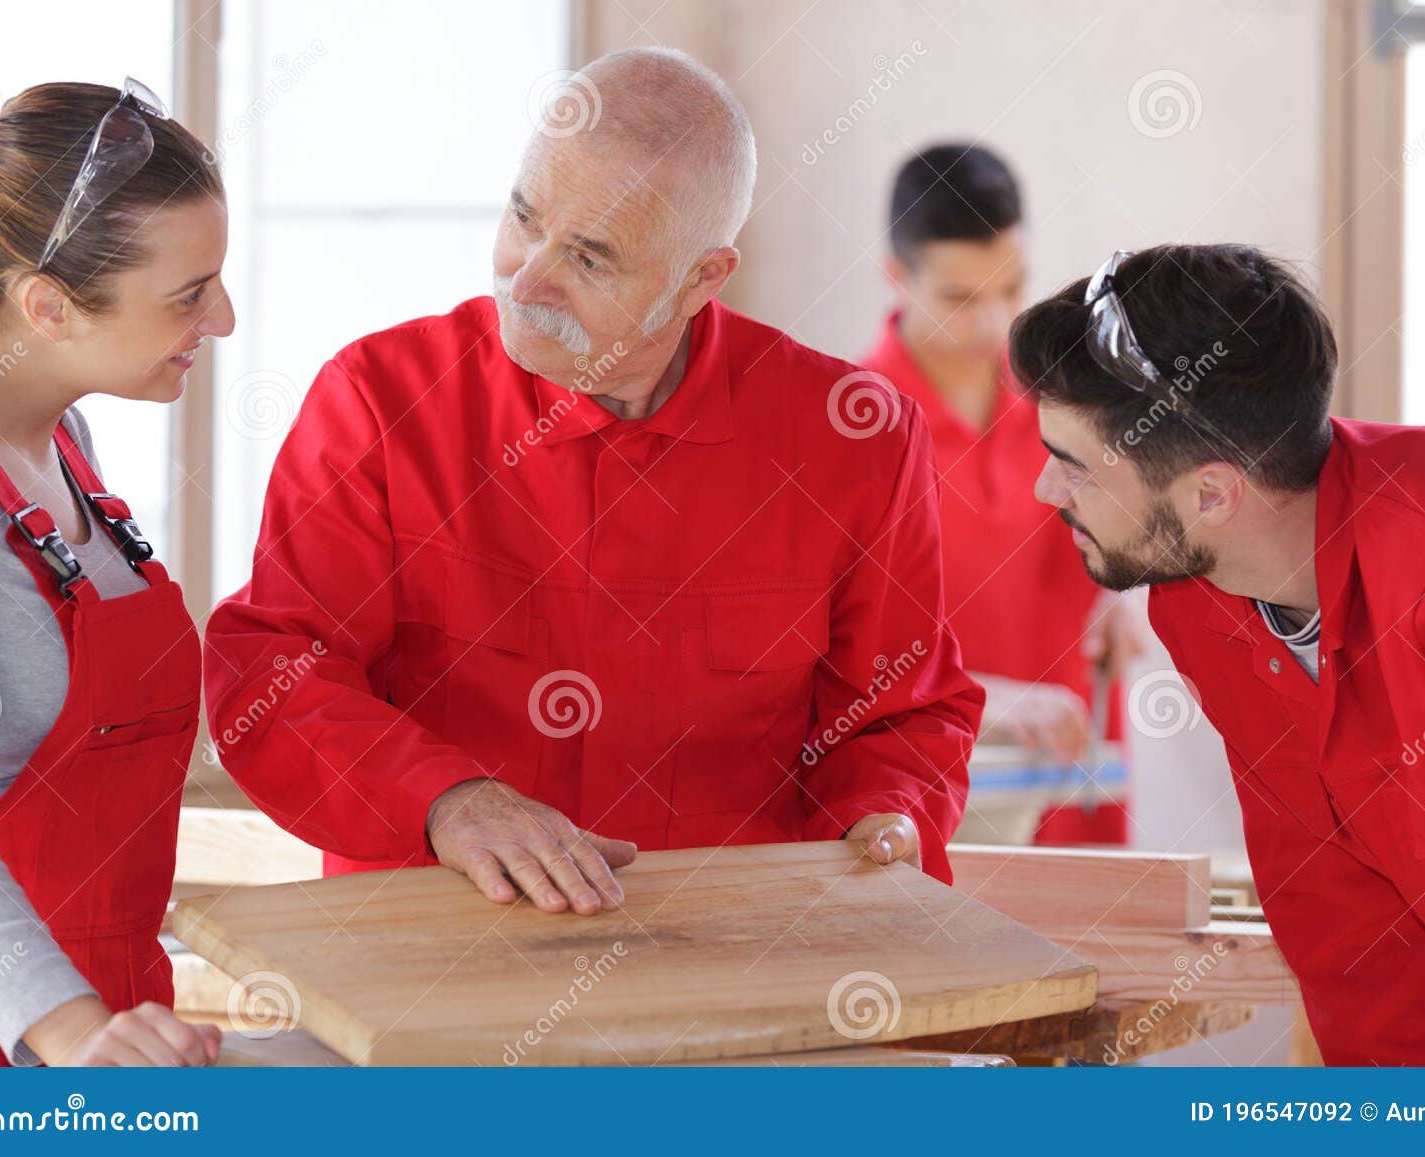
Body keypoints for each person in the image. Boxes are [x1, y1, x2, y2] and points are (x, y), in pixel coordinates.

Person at [204, 47, 983, 914]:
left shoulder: (854, 442)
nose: (525, 278)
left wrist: (887, 818)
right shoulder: (380, 400)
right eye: (524, 217)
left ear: (702, 278)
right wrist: (443, 800)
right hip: (434, 969)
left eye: (590, 257)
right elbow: (272, 672)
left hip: (730, 973)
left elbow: (898, 715)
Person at [1010, 241, 1425, 1065]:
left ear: (1212, 492)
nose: (1046, 491)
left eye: (1074, 467)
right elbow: (1346, 922)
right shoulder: (1196, 603)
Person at [0, 80, 235, 1066]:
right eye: (188, 293)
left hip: (122, 1017)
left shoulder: (69, 440)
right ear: (48, 305)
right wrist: (71, 1029)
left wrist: (114, 1026)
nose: (221, 318)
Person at [858, 144, 1140, 844]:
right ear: (897, 276)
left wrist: (1127, 587)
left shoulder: (1069, 400)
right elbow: (831, 652)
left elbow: (1126, 527)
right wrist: (985, 700)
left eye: (1012, 288)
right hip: (932, 808)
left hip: (1074, 791)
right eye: (961, 297)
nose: (994, 322)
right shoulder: (847, 427)